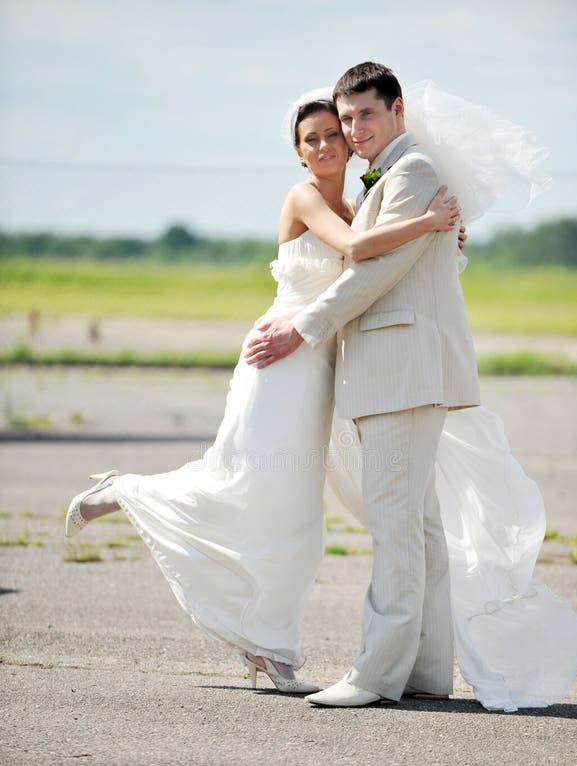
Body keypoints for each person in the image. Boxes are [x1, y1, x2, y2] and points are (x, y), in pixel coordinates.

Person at [64, 94, 462, 695]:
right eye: (313, 139)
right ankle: (125, 491)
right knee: (242, 481)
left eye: (335, 133)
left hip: (321, 368)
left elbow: (384, 257)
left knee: (295, 513)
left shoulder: (360, 204)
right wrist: (431, 223)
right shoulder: (305, 198)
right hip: (279, 360)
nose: (329, 144)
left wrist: (444, 239)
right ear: (298, 153)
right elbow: (358, 252)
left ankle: (269, 646)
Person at [244, 62, 577, 709]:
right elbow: (403, 258)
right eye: (346, 119)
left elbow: (374, 270)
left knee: (395, 526)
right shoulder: (405, 175)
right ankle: (427, 670)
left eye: (365, 115)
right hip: (401, 371)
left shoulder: (412, 172)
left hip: (397, 372)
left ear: (397, 109)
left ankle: (375, 675)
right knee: (421, 530)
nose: (354, 130)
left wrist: (305, 329)